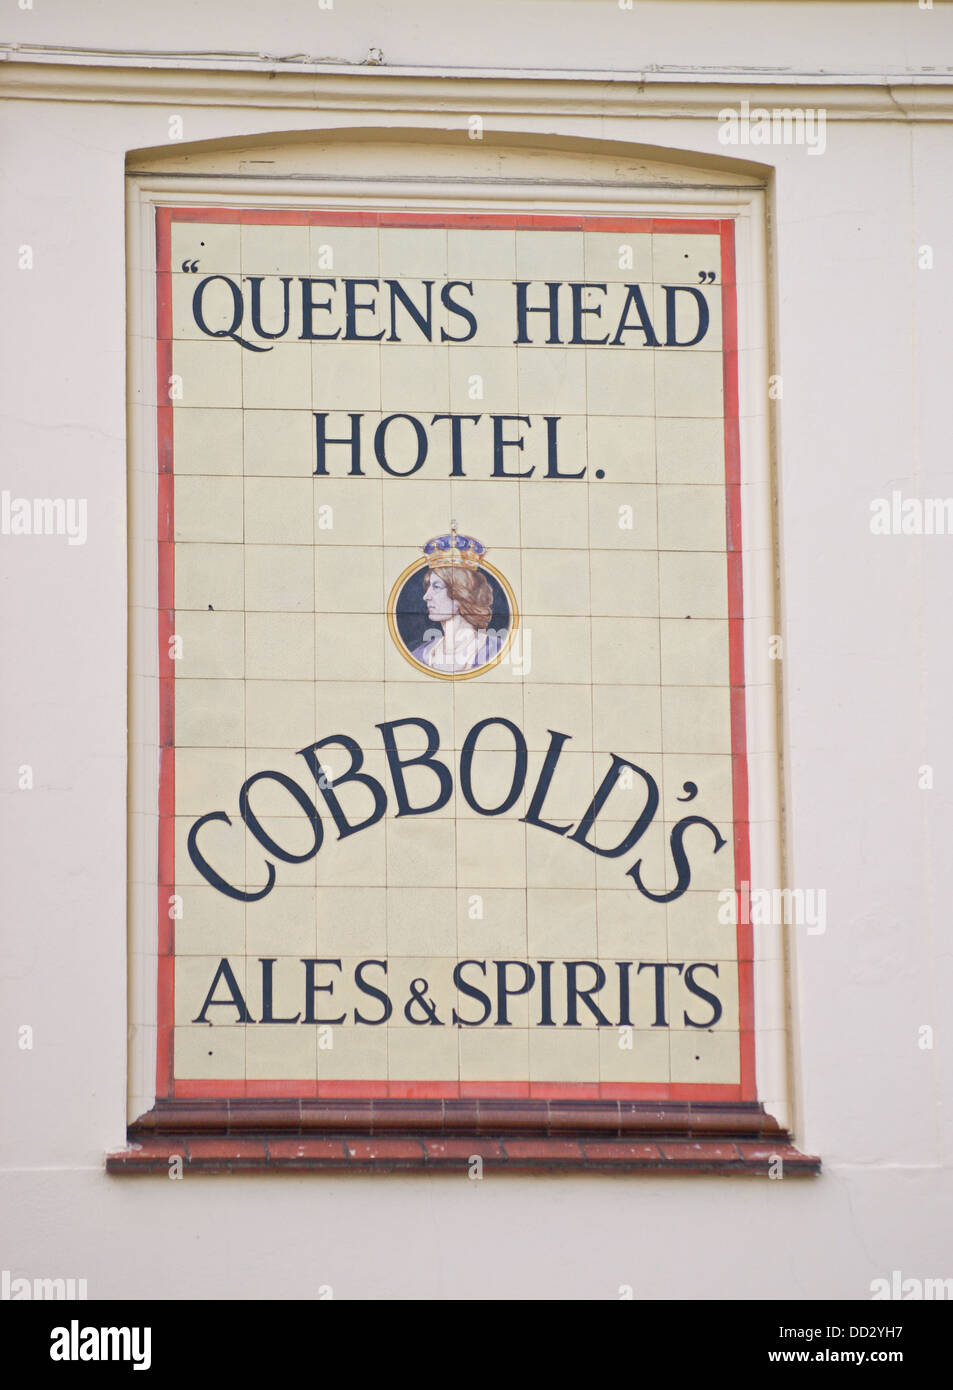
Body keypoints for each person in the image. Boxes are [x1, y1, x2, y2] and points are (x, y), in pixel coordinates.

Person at [411, 563, 504, 673]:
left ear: (461, 594)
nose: (426, 596)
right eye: (429, 587)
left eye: (436, 587)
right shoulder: (421, 654)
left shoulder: (497, 649)